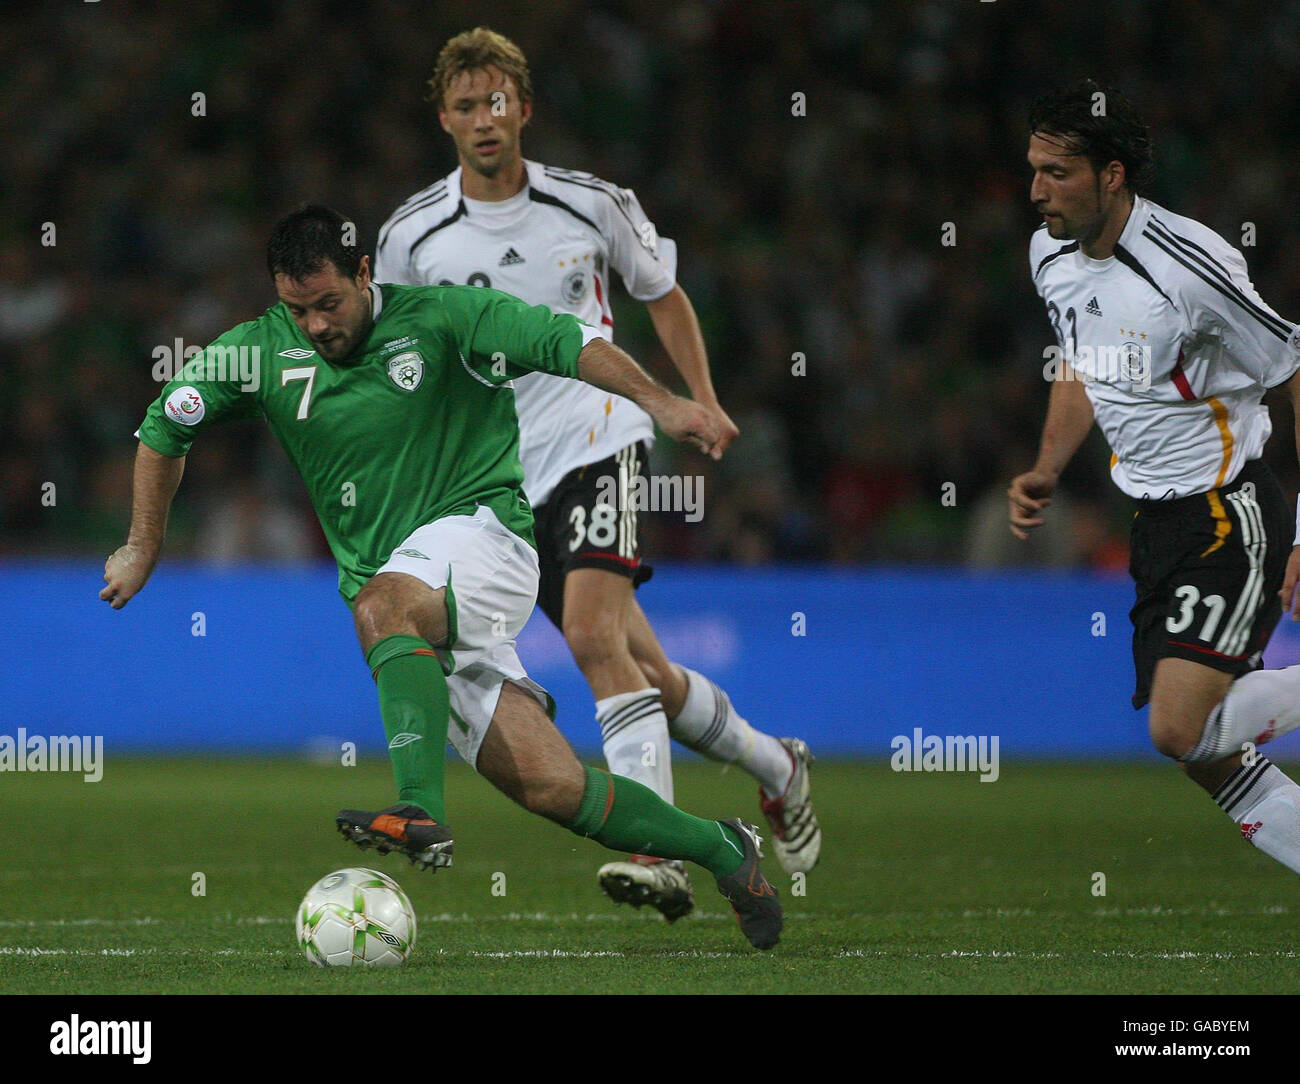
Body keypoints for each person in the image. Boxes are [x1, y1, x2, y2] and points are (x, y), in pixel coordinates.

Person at [99, 204, 782, 950]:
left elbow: (566, 343)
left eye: (329, 304)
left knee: (381, 606)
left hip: (484, 541)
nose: (317, 326)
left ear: (365, 274)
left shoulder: (447, 318)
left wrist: (661, 401)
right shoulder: (257, 351)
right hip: (420, 600)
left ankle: (417, 807)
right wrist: (142, 547)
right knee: (554, 787)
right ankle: (726, 849)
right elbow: (166, 425)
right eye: (298, 309)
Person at [375, 27, 820, 922]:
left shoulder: (591, 205)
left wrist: (696, 398)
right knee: (641, 665)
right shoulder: (409, 237)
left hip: (599, 437)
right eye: (465, 105)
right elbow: (395, 359)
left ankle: (667, 860)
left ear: (524, 108)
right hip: (493, 483)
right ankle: (777, 764)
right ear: (444, 119)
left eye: (497, 100)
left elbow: (661, 294)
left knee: (588, 636)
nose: (483, 119)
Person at [1009, 80, 1300, 877]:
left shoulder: (1191, 267)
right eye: (1033, 170)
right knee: (1207, 755)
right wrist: (1047, 464)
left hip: (1228, 513)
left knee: (1178, 730)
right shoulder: (1051, 255)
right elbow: (1082, 358)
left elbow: (1293, 366)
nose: (1037, 191)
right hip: (1157, 526)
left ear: (1112, 176)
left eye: (1057, 173)